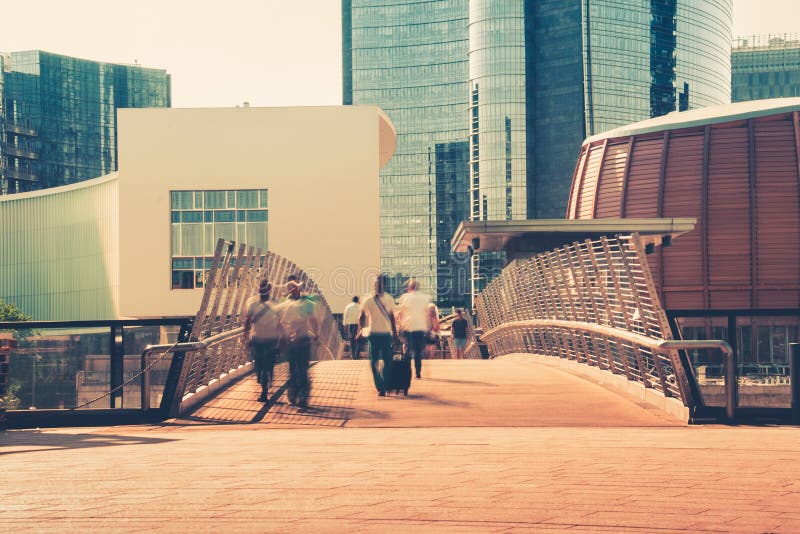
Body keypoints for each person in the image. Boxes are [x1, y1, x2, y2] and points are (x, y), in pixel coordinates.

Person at [276, 279, 319, 408]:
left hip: (301, 340)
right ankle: (297, 395)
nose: (294, 290)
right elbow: (279, 322)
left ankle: (299, 396)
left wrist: (316, 333)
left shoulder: (305, 304)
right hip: (294, 341)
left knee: (300, 369)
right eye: (292, 288)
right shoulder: (288, 304)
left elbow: (313, 320)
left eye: (295, 288)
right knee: (296, 369)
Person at [243, 279, 281, 402]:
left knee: (266, 365)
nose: (262, 291)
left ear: (269, 290)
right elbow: (248, 321)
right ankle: (265, 380)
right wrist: (246, 338)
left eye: (265, 289)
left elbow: (280, 322)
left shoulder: (275, 304)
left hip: (271, 340)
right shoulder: (253, 304)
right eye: (261, 289)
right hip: (257, 339)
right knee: (259, 366)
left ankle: (264, 391)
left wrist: (280, 340)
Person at [358, 274, 397, 396]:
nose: (377, 285)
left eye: (380, 283)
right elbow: (361, 316)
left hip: (386, 334)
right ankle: (380, 387)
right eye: (376, 283)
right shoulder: (367, 299)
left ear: (384, 285)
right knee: (373, 362)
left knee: (387, 361)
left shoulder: (389, 299)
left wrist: (395, 333)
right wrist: (361, 330)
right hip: (373, 334)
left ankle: (384, 384)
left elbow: (392, 317)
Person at [396, 279, 432, 379]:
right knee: (418, 352)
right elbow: (427, 314)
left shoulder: (406, 298)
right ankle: (418, 373)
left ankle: (406, 372)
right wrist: (428, 327)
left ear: (409, 287)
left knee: (408, 350)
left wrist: (400, 326)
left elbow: (402, 313)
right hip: (420, 327)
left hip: (409, 327)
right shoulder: (425, 298)